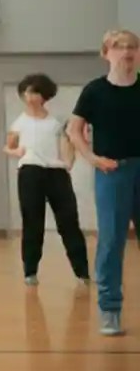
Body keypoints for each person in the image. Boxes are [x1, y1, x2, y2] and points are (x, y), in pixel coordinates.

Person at [68, 28, 140, 337]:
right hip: (113, 172)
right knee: (111, 241)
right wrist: (93, 158)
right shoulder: (95, 91)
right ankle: (110, 310)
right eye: (119, 46)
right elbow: (73, 130)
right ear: (106, 53)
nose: (127, 52)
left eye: (132, 46)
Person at [4, 73, 90, 287]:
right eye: (26, 93)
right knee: (32, 222)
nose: (29, 97)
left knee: (69, 222)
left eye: (34, 93)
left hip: (56, 173)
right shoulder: (19, 122)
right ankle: (30, 271)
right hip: (30, 171)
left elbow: (67, 146)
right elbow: (8, 146)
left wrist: (68, 163)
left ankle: (82, 272)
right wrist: (16, 152)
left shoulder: (55, 122)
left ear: (44, 96)